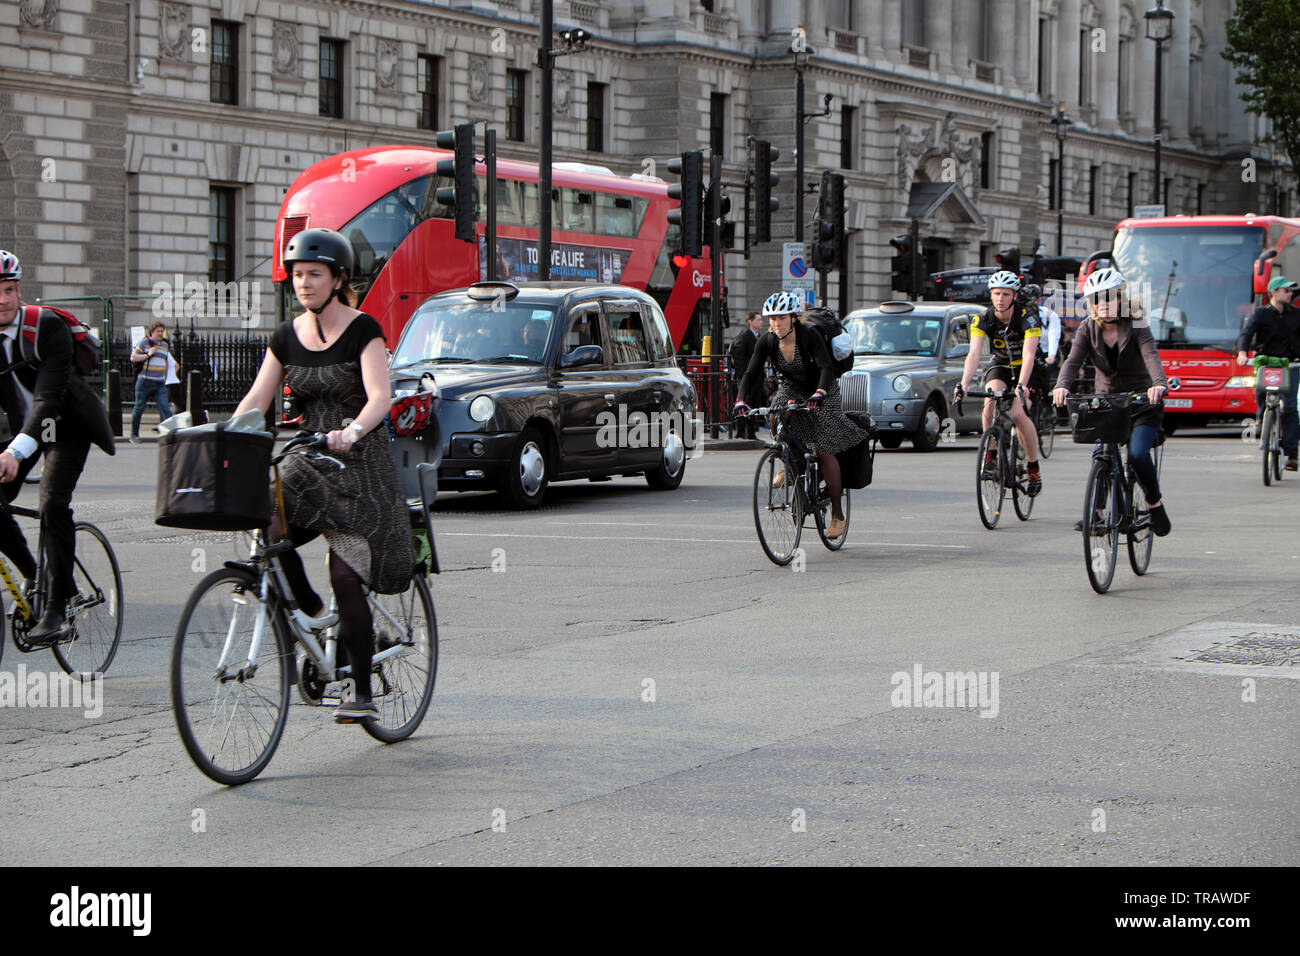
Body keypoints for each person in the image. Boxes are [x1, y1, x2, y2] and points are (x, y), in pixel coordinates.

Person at [233, 227, 413, 723]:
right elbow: (256, 400)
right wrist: (225, 432)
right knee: (266, 521)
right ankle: (310, 610)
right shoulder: (286, 336)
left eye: (314, 274)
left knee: (346, 574)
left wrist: (352, 430)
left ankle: (360, 690)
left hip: (360, 463)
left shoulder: (363, 330)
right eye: (297, 275)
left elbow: (381, 396)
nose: (304, 283)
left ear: (337, 279)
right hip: (309, 456)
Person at [0, 249, 116, 643]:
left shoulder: (45, 327)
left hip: (63, 424)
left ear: (20, 290)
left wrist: (15, 454)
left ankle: (55, 611)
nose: (3, 298)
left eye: (10, 289)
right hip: (22, 428)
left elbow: (48, 398)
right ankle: (40, 578)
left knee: (51, 503)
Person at [732, 292, 870, 540]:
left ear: (793, 318)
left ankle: (837, 514)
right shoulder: (768, 340)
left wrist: (819, 393)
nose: (776, 323)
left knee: (825, 448)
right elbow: (751, 373)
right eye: (772, 318)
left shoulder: (809, 336)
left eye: (781, 318)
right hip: (792, 387)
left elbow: (827, 368)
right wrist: (741, 399)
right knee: (776, 415)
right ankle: (788, 459)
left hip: (823, 388)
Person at [1053, 266, 1171, 535]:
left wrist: (1159, 385)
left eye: (1108, 297)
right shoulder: (1087, 328)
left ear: (1120, 297)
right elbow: (1072, 361)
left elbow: (1151, 356)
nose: (1103, 304)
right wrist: (1061, 386)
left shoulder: (1137, 324)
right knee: (1102, 454)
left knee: (1138, 455)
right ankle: (1096, 513)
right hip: (1108, 404)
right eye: (1096, 299)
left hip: (1141, 403)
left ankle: (1154, 504)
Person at [954, 270, 1044, 495]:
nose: (1000, 299)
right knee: (990, 399)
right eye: (996, 294)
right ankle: (991, 452)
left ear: (1014, 295)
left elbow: (1030, 354)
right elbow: (974, 353)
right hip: (1001, 364)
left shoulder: (1027, 316)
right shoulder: (983, 318)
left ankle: (1033, 467)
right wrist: (963, 384)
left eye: (1005, 294)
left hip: (1026, 367)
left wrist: (1022, 386)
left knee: (1018, 414)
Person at [1235, 275, 1300, 470]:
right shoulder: (1261, 314)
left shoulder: (1296, 314)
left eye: (1291, 291)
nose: (1290, 294)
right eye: (1286, 290)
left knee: (1290, 407)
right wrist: (1242, 352)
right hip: (1266, 362)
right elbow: (1246, 333)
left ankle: (1291, 453)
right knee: (1261, 393)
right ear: (1274, 292)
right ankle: (1261, 417)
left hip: (1291, 364)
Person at [129, 320, 174, 443]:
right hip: (145, 382)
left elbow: (165, 362)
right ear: (152, 332)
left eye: (162, 331)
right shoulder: (145, 343)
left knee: (165, 409)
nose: (160, 333)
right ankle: (134, 435)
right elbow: (133, 357)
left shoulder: (165, 346)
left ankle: (169, 436)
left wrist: (164, 378)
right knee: (139, 408)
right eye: (158, 331)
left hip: (159, 383)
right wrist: (148, 354)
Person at [727, 311, 763, 438]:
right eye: (758, 319)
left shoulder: (758, 336)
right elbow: (738, 357)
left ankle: (751, 431)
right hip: (746, 378)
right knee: (744, 403)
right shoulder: (744, 336)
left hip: (757, 378)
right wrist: (744, 375)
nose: (761, 322)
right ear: (750, 322)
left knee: (754, 404)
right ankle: (741, 431)